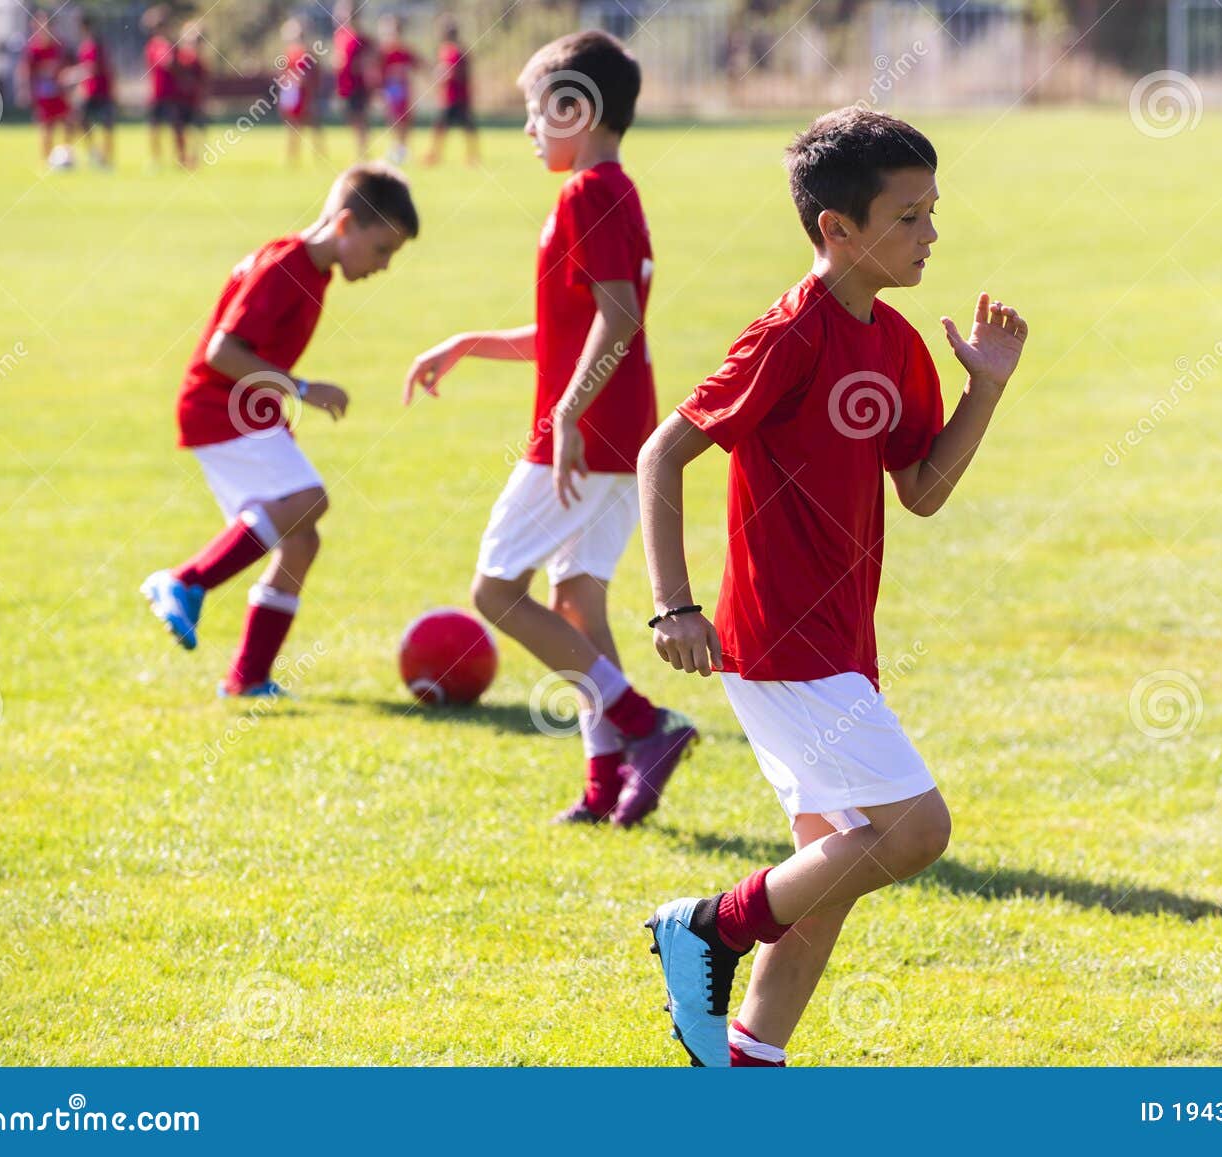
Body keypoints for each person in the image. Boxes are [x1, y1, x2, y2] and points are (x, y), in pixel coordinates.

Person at [638, 108, 1029, 1066]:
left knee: (831, 869)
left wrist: (985, 388)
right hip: (780, 638)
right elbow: (663, 452)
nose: (931, 233)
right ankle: (712, 925)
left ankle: (746, 1060)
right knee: (916, 831)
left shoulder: (894, 344)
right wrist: (674, 603)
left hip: (841, 643)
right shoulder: (787, 336)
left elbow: (924, 491)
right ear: (836, 229)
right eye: (908, 216)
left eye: (934, 211)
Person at [402, 32, 693, 828]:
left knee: (495, 589)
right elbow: (567, 334)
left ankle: (643, 725)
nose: (529, 128)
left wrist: (566, 411)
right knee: (577, 605)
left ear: (576, 109)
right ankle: (606, 783)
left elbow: (620, 318)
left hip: (588, 435)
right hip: (619, 433)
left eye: (537, 111)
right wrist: (468, 343)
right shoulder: (614, 191)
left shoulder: (587, 194)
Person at [141, 165, 419, 698]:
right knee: (309, 499)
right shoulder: (287, 265)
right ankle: (184, 582)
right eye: (382, 248)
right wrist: (302, 388)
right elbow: (223, 352)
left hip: (245, 409)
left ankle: (247, 679)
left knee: (300, 540)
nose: (384, 265)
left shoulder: (308, 267)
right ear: (345, 225)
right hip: (218, 406)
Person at [19, 10, 74, 167]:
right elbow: (26, 71)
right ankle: (47, 160)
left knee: (68, 124)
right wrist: (25, 91)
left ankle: (66, 156)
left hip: (60, 93)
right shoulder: (33, 49)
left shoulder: (60, 46)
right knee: (46, 127)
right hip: (43, 95)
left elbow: (68, 66)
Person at [425, 18, 478, 166]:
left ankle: (472, 156)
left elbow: (454, 72)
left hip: (455, 97)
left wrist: (440, 75)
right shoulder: (450, 49)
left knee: (463, 127)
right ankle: (435, 155)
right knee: (443, 126)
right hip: (450, 96)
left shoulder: (454, 51)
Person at [277, 19, 325, 166]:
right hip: (293, 95)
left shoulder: (308, 55)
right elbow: (283, 75)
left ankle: (319, 156)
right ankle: (293, 158)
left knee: (314, 126)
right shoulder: (290, 54)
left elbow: (314, 77)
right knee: (293, 127)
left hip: (306, 96)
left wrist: (311, 93)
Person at [142, 5, 184, 168]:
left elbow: (175, 66)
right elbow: (163, 63)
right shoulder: (153, 45)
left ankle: (180, 158)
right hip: (156, 94)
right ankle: (155, 159)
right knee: (154, 128)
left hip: (171, 93)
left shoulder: (172, 45)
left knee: (176, 126)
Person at [71, 12, 115, 168]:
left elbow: (92, 68)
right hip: (89, 92)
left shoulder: (95, 45)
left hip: (100, 91)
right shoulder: (86, 45)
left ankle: (107, 159)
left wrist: (71, 75)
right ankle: (94, 153)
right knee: (80, 121)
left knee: (107, 126)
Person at [376, 14, 420, 164]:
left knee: (404, 119)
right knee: (392, 119)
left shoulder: (404, 51)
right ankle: (395, 147)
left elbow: (418, 64)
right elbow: (378, 72)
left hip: (403, 89)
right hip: (390, 89)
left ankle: (403, 149)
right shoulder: (383, 52)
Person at [333, 0, 374, 158]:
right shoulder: (340, 35)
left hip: (358, 86)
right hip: (345, 85)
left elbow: (369, 60)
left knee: (360, 118)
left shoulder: (362, 38)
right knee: (351, 118)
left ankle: (363, 152)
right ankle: (361, 150)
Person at [174, 21, 210, 168]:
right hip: (180, 100)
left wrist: (203, 100)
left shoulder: (200, 60)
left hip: (194, 101)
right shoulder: (180, 55)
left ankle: (193, 159)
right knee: (180, 131)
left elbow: (203, 82)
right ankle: (181, 159)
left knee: (196, 132)